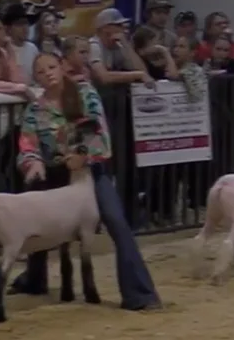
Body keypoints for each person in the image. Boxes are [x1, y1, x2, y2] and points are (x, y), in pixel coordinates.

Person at [10, 52, 162, 310]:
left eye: (51, 67)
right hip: (55, 171)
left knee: (115, 218)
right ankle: (35, 278)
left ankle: (140, 294)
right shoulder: (35, 110)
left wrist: (82, 156)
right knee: (33, 212)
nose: (47, 73)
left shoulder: (85, 93)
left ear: (62, 67)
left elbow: (98, 132)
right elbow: (27, 144)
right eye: (40, 71)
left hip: (91, 171)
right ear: (35, 78)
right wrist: (32, 161)